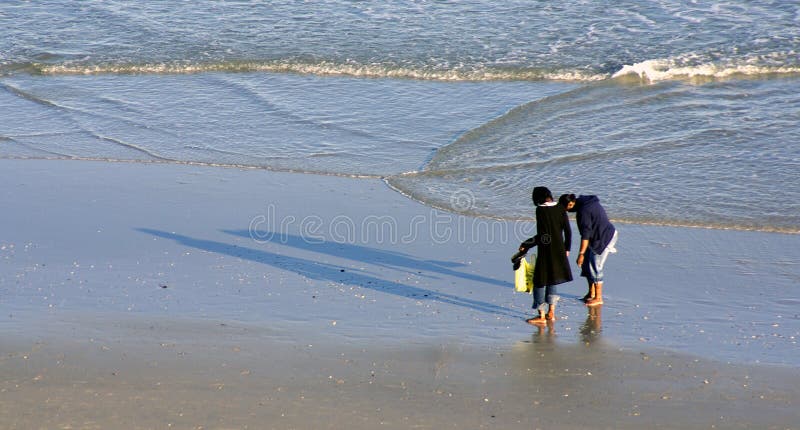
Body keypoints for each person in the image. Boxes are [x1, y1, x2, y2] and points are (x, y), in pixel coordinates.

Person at [518, 186, 572, 325]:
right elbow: (568, 230)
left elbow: (542, 235)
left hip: (546, 250)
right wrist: (567, 248)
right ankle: (551, 313)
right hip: (560, 250)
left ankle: (541, 316)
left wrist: (526, 244)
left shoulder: (540, 210)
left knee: (539, 281)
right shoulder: (560, 207)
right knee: (553, 279)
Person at [558, 194, 617, 307]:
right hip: (596, 236)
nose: (566, 212)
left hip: (604, 238)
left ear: (570, 204)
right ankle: (591, 293)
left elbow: (585, 235)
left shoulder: (583, 211)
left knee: (595, 266)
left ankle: (598, 298)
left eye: (565, 209)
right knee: (586, 265)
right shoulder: (585, 202)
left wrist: (581, 254)